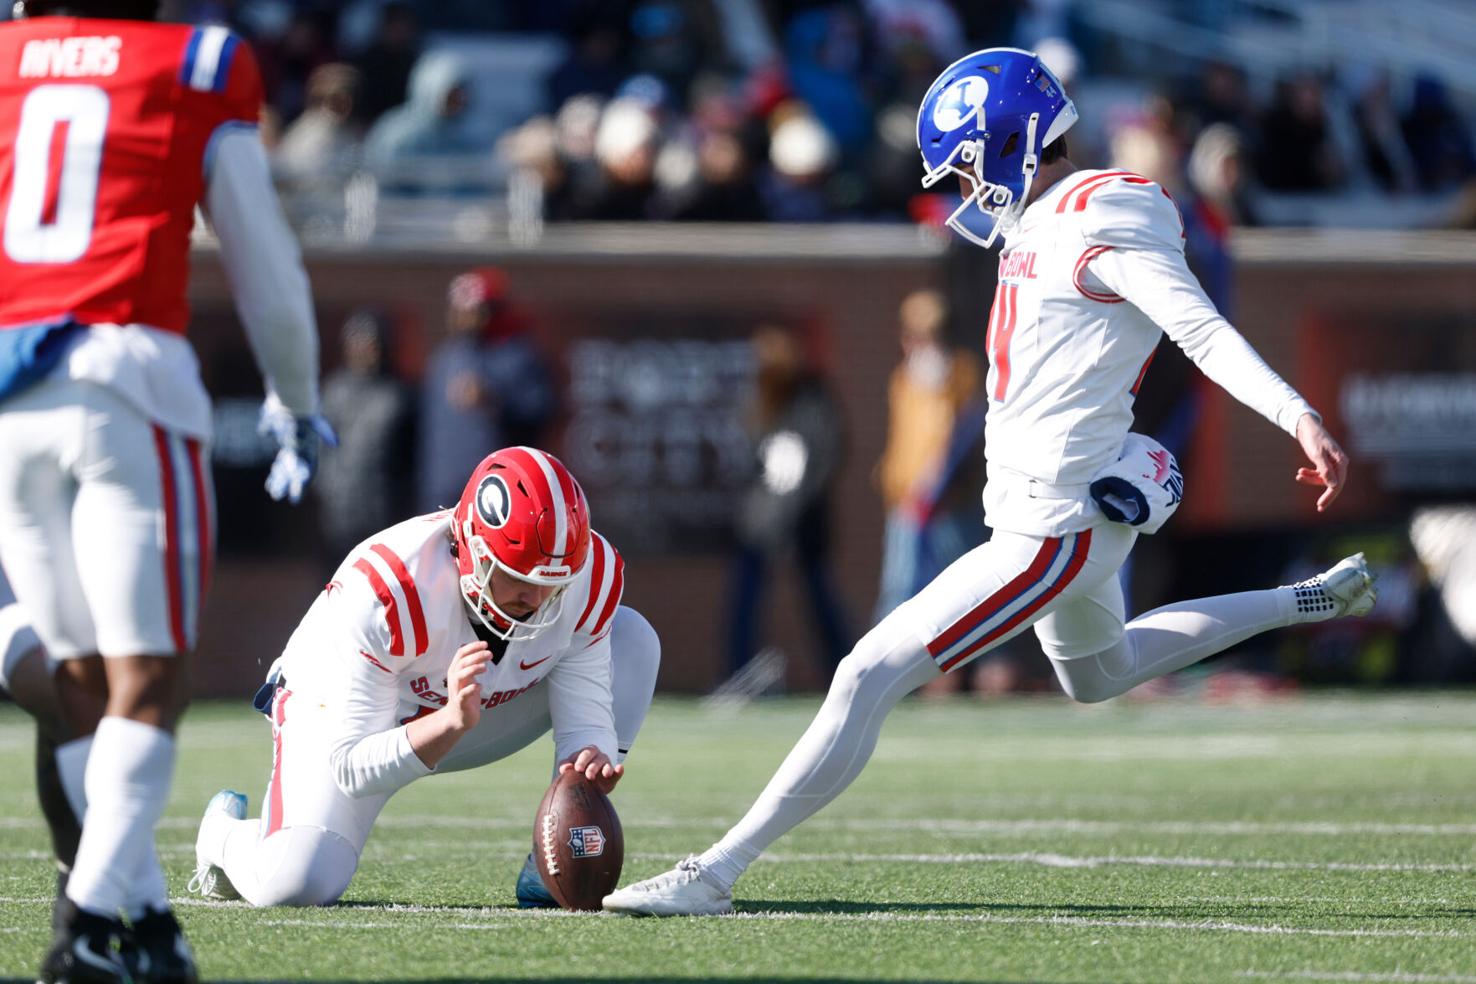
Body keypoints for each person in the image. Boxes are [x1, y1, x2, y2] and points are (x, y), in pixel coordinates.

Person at [602, 47, 1378, 917]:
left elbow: (1198, 330)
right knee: (1101, 673)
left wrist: (1296, 414)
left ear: (1012, 141)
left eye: (970, 161)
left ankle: (716, 873)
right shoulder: (1042, 218)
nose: (967, 184)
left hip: (1055, 526)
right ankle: (1302, 600)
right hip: (1047, 506)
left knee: (866, 672)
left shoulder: (1097, 219)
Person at [0, 3, 332, 980]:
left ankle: (141, 921)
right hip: (124, 376)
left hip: (12, 394)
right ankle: (89, 923)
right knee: (151, 681)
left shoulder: (7, 58)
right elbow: (264, 260)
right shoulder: (195, 60)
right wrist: (297, 398)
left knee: (82, 688)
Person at [189, 446, 660, 909]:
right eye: (518, 577)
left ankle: (549, 862)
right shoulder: (387, 591)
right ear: (473, 551)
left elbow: (584, 718)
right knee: (297, 881)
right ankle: (223, 835)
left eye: (552, 582)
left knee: (633, 638)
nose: (536, 599)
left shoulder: (584, 578)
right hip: (350, 722)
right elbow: (350, 767)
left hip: (472, 710)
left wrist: (589, 761)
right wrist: (449, 720)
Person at [724, 325, 851, 690]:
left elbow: (826, 457)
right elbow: (751, 464)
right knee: (745, 601)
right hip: (760, 524)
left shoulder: (813, 400)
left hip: (804, 523)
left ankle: (843, 672)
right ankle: (738, 675)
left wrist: (794, 511)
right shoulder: (760, 403)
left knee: (820, 599)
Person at [416, 268, 557, 513]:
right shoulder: (446, 358)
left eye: (474, 310)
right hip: (443, 490)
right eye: (460, 309)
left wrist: (494, 400)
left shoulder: (518, 355)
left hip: (496, 491)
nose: (465, 317)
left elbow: (540, 412)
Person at [314, 310, 416, 576]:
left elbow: (411, 458)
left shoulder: (399, 394)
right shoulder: (334, 391)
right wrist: (328, 489)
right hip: (339, 515)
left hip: (383, 514)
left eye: (371, 344)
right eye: (357, 343)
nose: (364, 351)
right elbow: (322, 450)